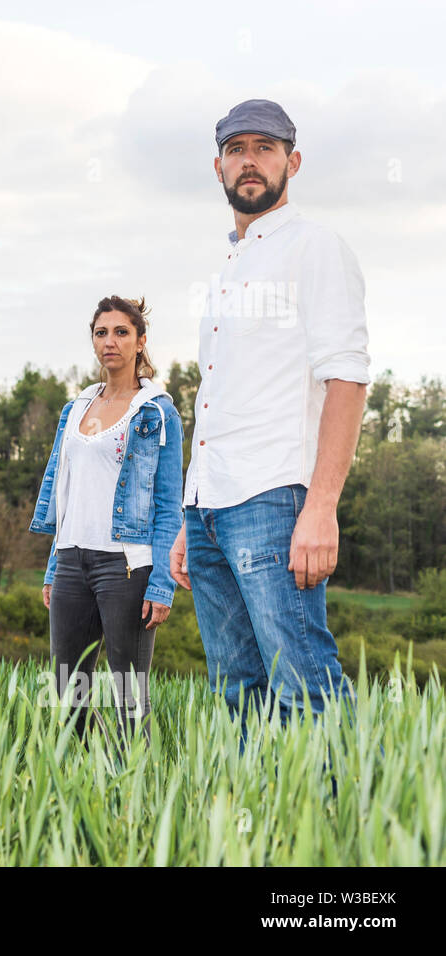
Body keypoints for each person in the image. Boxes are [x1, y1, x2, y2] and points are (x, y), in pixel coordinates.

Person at [169, 99, 370, 725]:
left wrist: (321, 507)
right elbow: (217, 400)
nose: (248, 161)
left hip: (274, 500)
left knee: (304, 685)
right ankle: (259, 823)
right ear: (218, 167)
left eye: (264, 147)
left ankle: (341, 821)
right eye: (236, 150)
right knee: (237, 696)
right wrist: (188, 514)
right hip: (209, 511)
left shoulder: (316, 248)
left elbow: (348, 377)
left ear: (294, 160)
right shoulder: (226, 268)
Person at [29, 297, 184, 743]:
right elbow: (66, 493)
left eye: (121, 332)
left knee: (128, 690)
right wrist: (54, 565)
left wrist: (161, 585)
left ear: (140, 342)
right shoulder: (74, 409)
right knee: (68, 686)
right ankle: (81, 779)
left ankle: (136, 791)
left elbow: (169, 504)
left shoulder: (157, 412)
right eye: (102, 332)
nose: (110, 341)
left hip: (127, 566)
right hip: (74, 560)